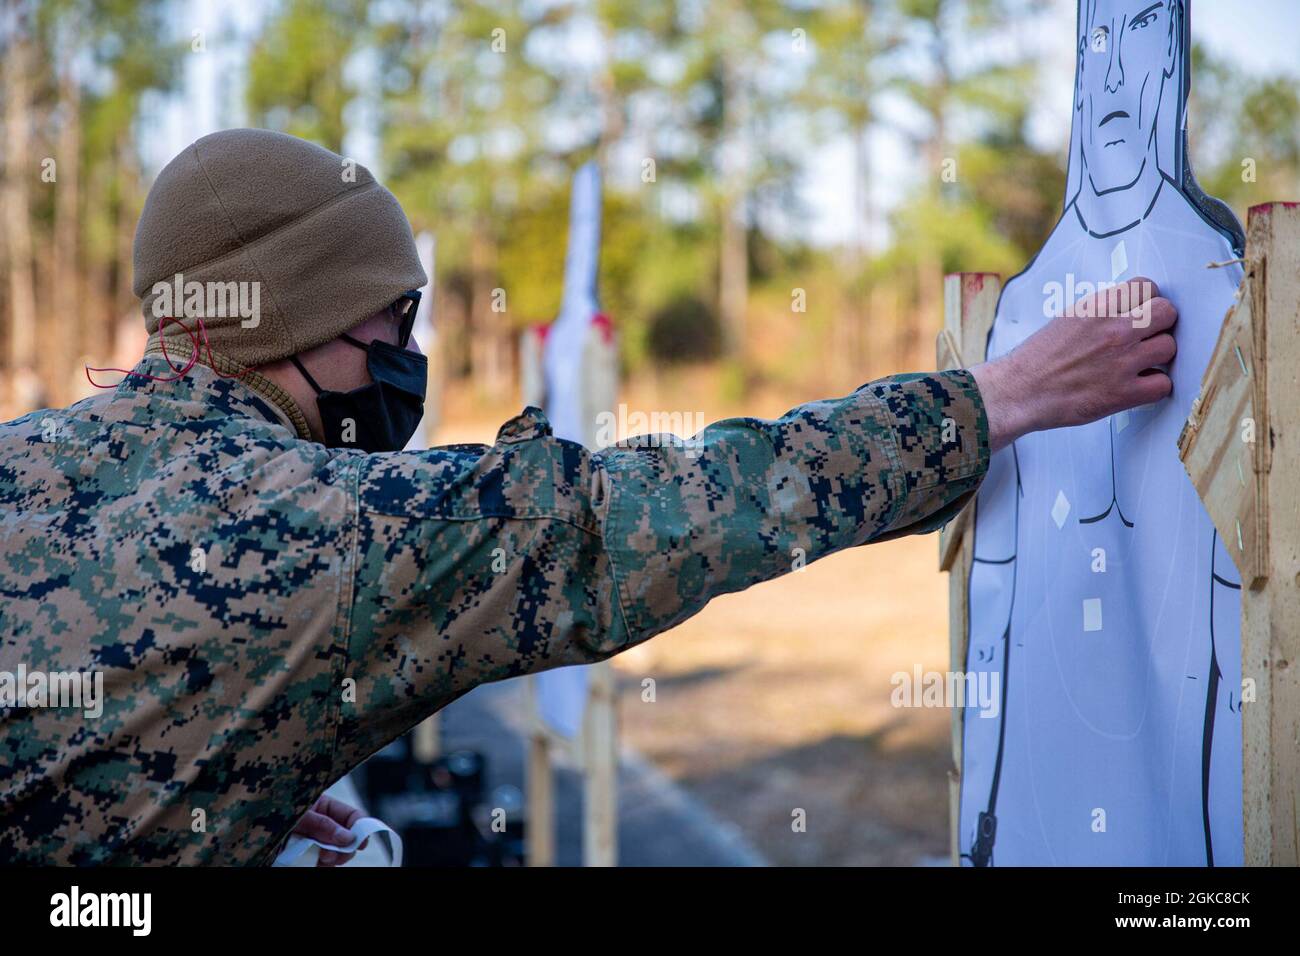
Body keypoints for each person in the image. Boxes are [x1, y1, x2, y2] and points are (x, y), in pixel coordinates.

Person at [0, 128, 1176, 865]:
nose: (402, 353)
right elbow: (657, 514)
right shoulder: (318, 532)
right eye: (388, 317)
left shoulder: (24, 459)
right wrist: (992, 402)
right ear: (295, 313)